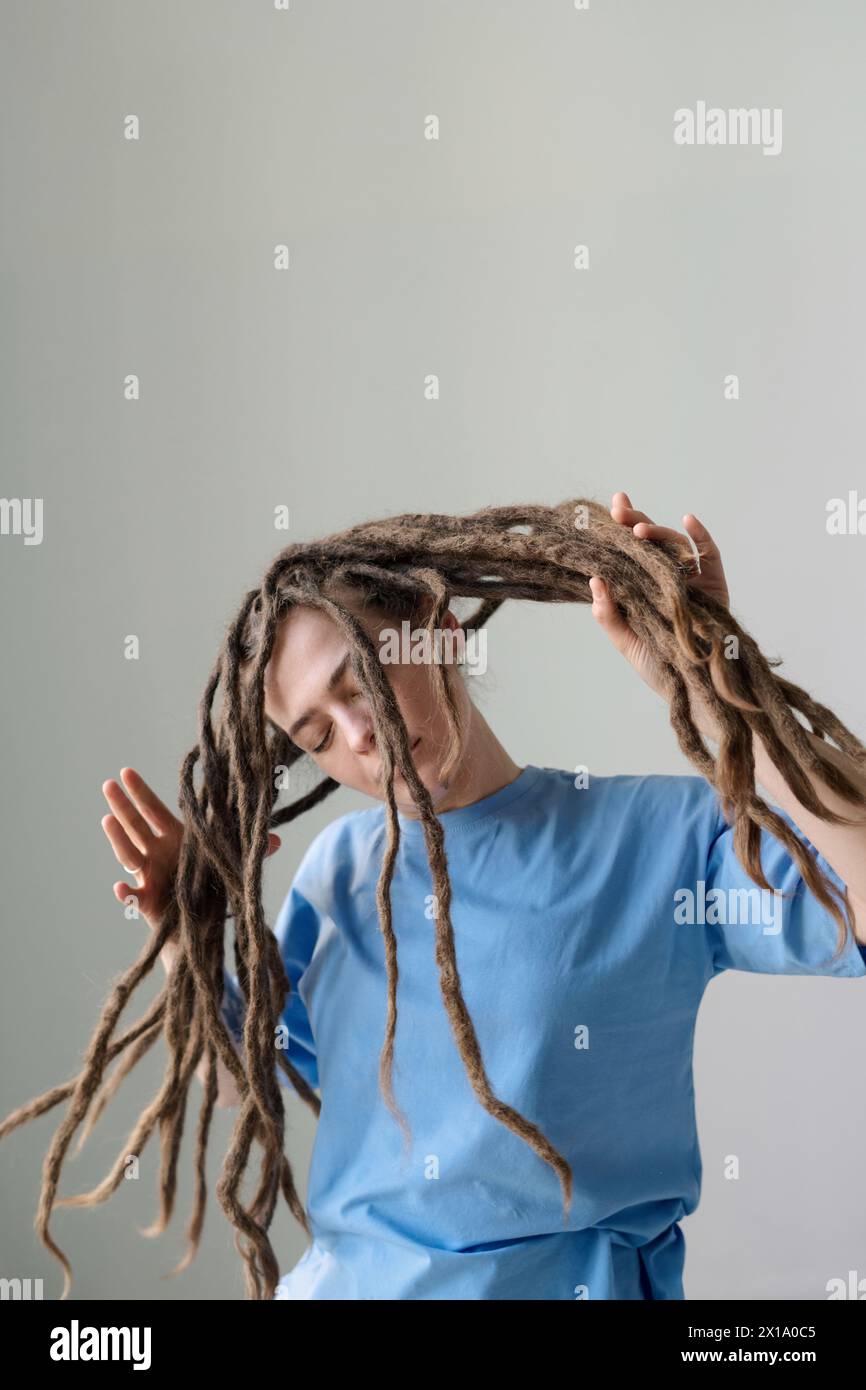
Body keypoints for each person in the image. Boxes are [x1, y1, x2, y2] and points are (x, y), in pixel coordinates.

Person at [95, 493, 866, 1300]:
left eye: (359, 675)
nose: (355, 735)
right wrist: (190, 930)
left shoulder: (656, 841)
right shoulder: (340, 870)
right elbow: (247, 1078)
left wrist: (716, 680)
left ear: (437, 627)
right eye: (314, 736)